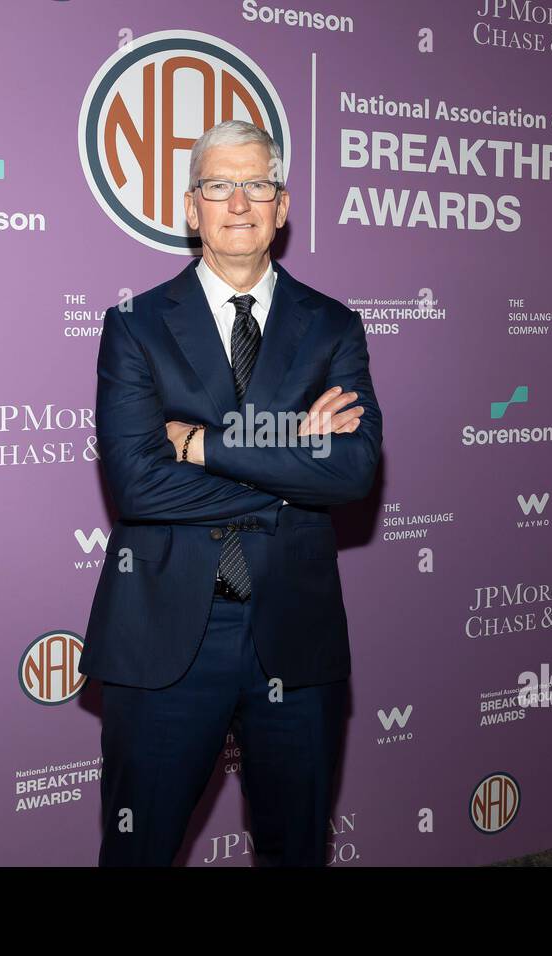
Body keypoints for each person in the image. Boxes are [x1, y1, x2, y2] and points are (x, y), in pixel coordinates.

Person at [80, 119, 383, 866]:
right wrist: (289, 461)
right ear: (192, 208)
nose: (238, 202)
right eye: (219, 185)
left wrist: (201, 444)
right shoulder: (136, 325)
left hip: (295, 635)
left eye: (258, 185)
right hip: (165, 636)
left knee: (296, 850)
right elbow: (139, 483)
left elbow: (350, 472)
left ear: (282, 208)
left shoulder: (333, 326)